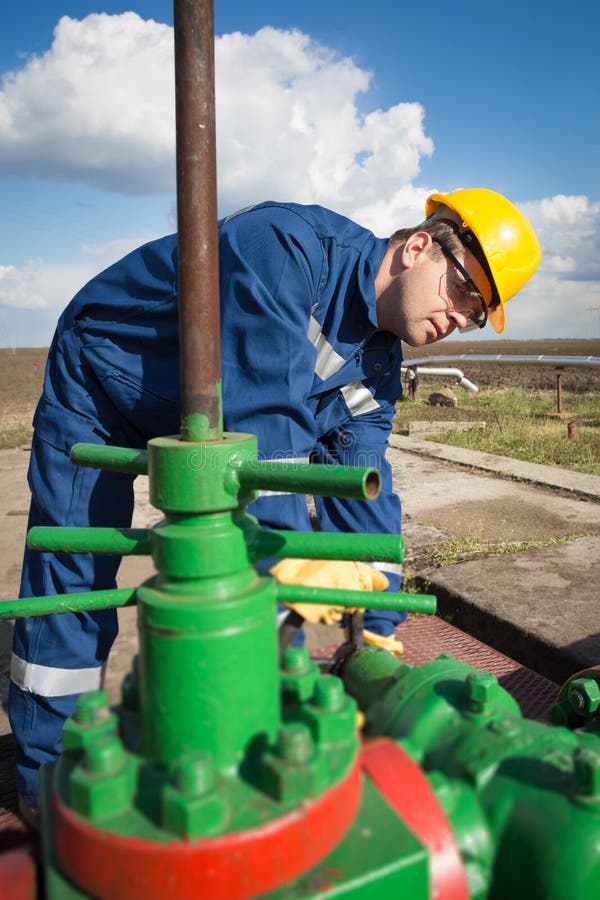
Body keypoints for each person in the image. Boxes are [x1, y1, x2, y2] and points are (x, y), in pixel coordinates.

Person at [9, 188, 541, 813]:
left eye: (476, 315)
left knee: (273, 592)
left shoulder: (376, 367)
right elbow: (268, 440)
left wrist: (376, 629)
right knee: (73, 571)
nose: (459, 319)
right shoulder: (285, 249)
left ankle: (258, 755)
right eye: (463, 292)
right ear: (418, 247)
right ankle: (50, 781)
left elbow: (362, 490)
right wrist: (288, 588)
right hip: (104, 384)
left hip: (212, 417)